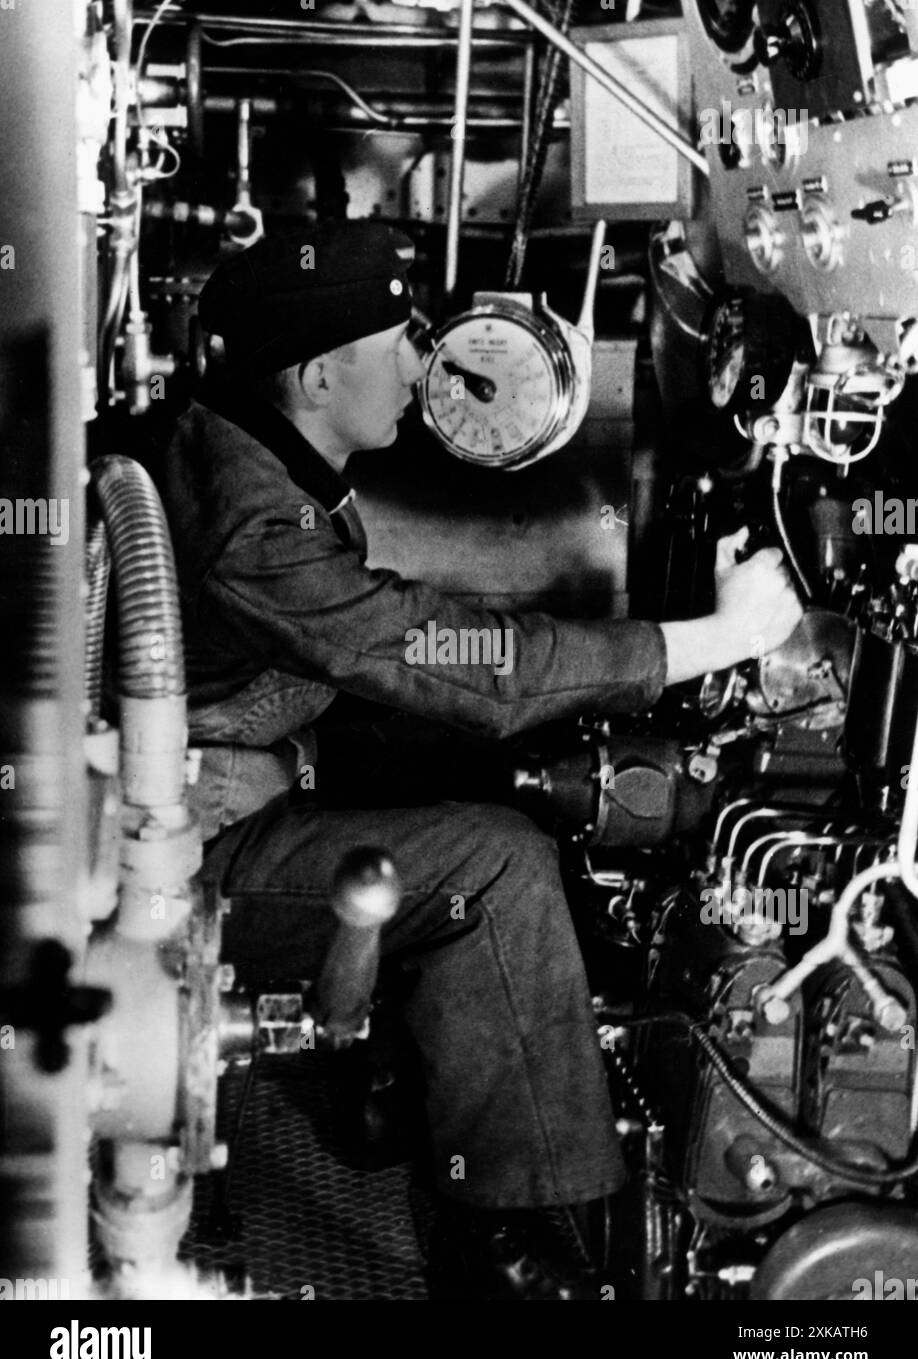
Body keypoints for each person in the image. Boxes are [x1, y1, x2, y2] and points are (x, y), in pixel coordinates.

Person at [158, 221, 802, 1300]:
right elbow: (448, 655)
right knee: (494, 870)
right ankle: (504, 1240)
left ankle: (395, 1087)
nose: (424, 362)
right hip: (188, 858)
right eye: (401, 342)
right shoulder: (254, 527)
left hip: (232, 782)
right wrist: (712, 642)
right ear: (317, 377)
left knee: (471, 759)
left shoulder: (235, 448)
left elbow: (410, 655)